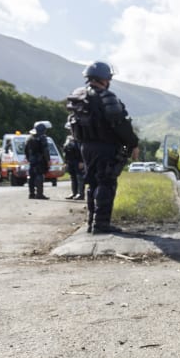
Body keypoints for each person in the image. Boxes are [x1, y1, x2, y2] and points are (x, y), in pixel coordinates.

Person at [66, 61, 138, 234]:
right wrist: (133, 143)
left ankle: (92, 222)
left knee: (92, 184)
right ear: (105, 78)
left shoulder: (79, 96)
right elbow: (121, 124)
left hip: (85, 147)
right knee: (106, 183)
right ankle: (101, 225)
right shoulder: (107, 97)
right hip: (105, 147)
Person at [24, 121, 50, 200]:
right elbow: (46, 150)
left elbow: (25, 150)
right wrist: (48, 160)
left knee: (31, 177)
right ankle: (39, 194)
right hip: (40, 160)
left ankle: (31, 194)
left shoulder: (29, 138)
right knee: (39, 176)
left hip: (32, 160)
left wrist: (29, 158)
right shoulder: (42, 138)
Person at [62, 126, 84, 200]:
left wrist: (82, 161)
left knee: (79, 177)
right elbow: (65, 151)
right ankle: (74, 193)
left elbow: (82, 150)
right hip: (70, 161)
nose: (70, 130)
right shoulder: (68, 138)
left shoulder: (80, 137)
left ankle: (80, 194)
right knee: (72, 177)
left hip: (78, 160)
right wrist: (65, 162)